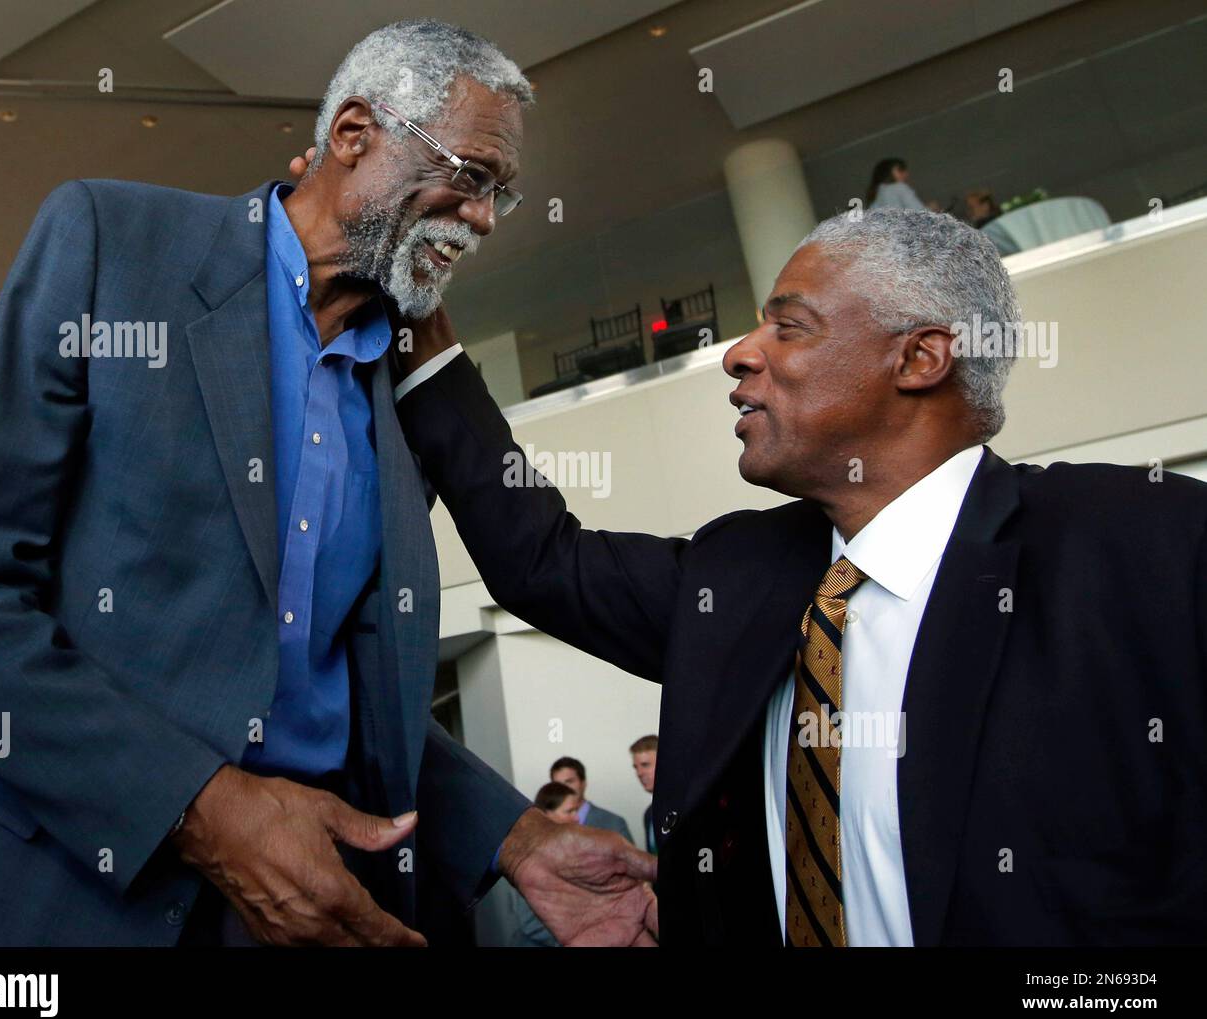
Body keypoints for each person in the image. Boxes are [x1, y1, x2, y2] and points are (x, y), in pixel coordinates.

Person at [0, 19, 655, 948]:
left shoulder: (408, 389)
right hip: (37, 903)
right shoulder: (112, 244)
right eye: (469, 175)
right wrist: (204, 809)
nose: (485, 218)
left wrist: (519, 835)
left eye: (502, 192)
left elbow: (345, 696)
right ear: (353, 134)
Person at [391, 207, 1207, 946]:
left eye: (789, 327)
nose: (740, 354)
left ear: (919, 357)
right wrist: (420, 329)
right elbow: (544, 562)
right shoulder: (736, 577)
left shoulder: (1149, 544)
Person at [510, 782, 581, 947]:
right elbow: (530, 924)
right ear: (547, 814)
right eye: (569, 811)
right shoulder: (529, 857)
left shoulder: (571, 851)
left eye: (576, 810)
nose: (577, 817)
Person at [551, 757, 634, 845]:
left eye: (569, 782)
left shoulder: (613, 823)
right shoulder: (548, 825)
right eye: (557, 785)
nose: (564, 789)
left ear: (583, 783)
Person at [630, 736, 658, 855]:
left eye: (645, 765)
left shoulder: (689, 806)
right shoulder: (649, 814)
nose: (639, 773)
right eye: (636, 767)